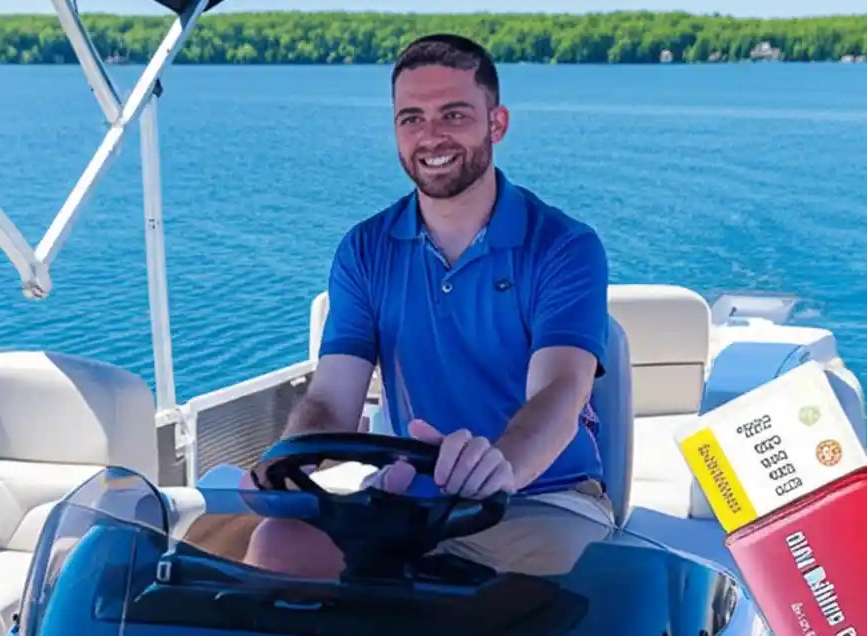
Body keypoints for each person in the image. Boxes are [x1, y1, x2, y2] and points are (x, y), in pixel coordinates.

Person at [242, 33, 614, 578]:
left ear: (497, 124)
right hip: (412, 497)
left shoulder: (563, 246)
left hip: (542, 497)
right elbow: (331, 399)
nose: (431, 136)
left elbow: (560, 390)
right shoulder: (366, 250)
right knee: (277, 545)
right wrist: (287, 456)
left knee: (513, 606)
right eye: (411, 118)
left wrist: (500, 466)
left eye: (453, 115)